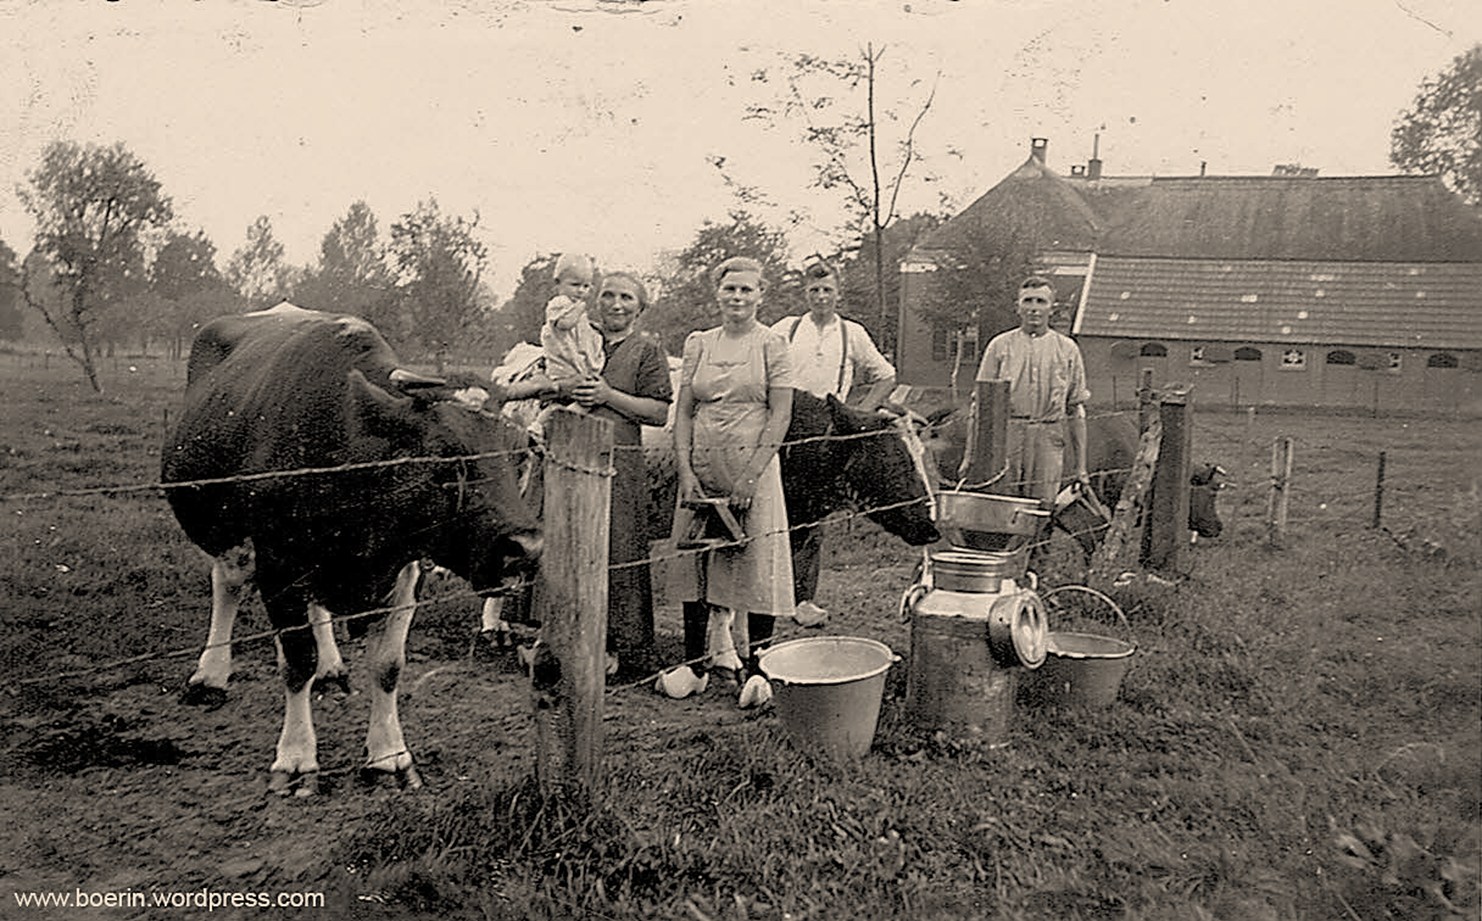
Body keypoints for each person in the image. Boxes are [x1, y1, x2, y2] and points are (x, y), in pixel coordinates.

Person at [658, 256, 795, 708]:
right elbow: (682, 412)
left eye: (746, 290)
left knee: (755, 558)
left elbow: (780, 413)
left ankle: (759, 667)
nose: (737, 297)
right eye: (729, 289)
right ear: (717, 293)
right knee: (697, 559)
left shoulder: (771, 345)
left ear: (760, 296)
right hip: (702, 464)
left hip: (752, 465)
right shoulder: (699, 343)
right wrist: (685, 470)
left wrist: (752, 475)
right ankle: (695, 664)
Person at [770, 256, 896, 628]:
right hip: (784, 428)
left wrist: (859, 415)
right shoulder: (786, 329)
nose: (821, 297)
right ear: (805, 293)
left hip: (826, 436)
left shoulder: (851, 334)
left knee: (812, 518)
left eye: (827, 290)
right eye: (814, 290)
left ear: (838, 294)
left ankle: (803, 599)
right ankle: (765, 595)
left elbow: (885, 376)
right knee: (773, 510)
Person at [568, 272, 673, 679]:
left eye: (626, 297)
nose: (616, 304)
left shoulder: (646, 351)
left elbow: (659, 411)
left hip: (621, 461)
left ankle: (617, 643)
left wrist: (609, 397)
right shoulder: (581, 343)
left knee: (619, 547)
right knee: (572, 545)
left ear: (640, 307)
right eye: (607, 295)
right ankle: (569, 638)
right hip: (573, 455)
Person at [972, 275, 1089, 544]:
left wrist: (1081, 466)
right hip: (1008, 435)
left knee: (1043, 507)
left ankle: (1036, 569)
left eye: (1041, 301)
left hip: (1048, 436)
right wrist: (972, 457)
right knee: (1004, 505)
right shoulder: (1000, 346)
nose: (1034, 308)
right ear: (1018, 306)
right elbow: (980, 405)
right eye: (1028, 301)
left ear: (1051, 307)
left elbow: (1076, 408)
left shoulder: (1067, 349)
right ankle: (1002, 567)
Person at [540, 253, 602, 406]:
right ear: (558, 284)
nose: (581, 291)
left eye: (586, 286)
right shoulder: (559, 303)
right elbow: (564, 324)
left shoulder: (574, 305)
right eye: (575, 285)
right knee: (559, 398)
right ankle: (539, 424)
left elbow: (580, 328)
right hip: (563, 361)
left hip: (575, 359)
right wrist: (580, 309)